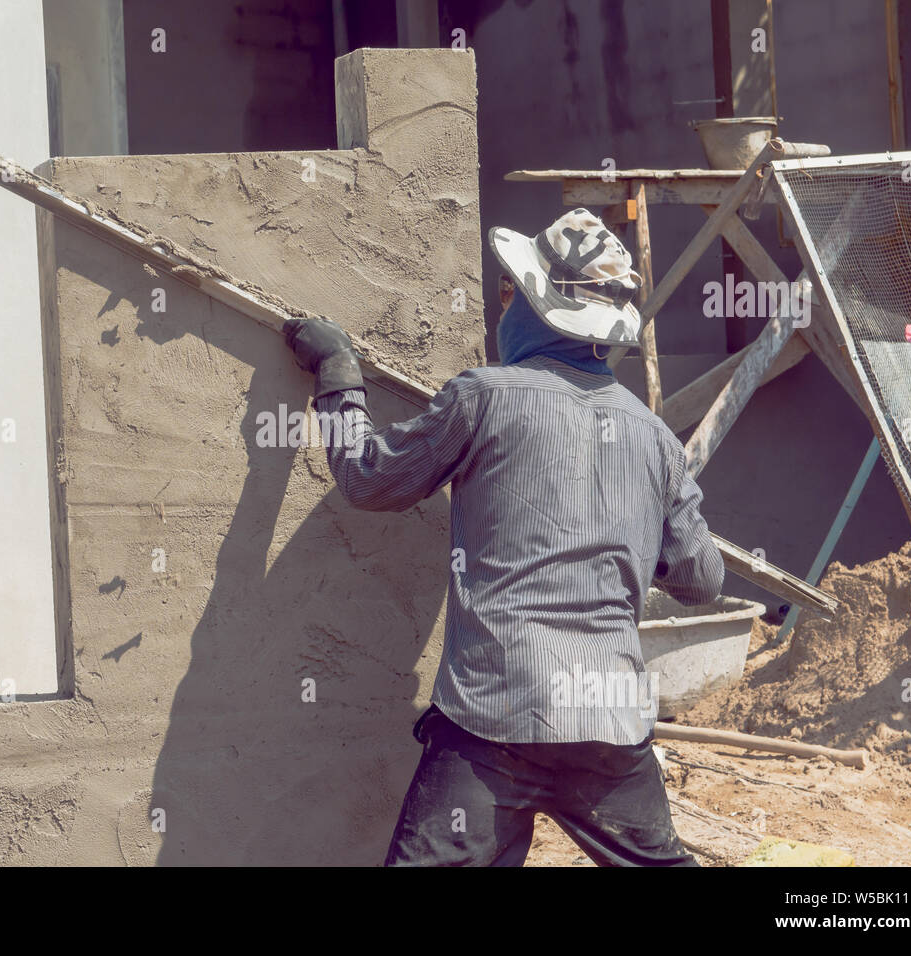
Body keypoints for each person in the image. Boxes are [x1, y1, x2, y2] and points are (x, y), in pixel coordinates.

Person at [283, 208, 724, 867]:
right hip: (606, 722)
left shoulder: (482, 397)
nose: (503, 306)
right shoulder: (653, 438)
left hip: (497, 718)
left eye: (511, 293)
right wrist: (640, 535)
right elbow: (703, 580)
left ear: (536, 311)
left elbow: (368, 480)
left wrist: (340, 373)